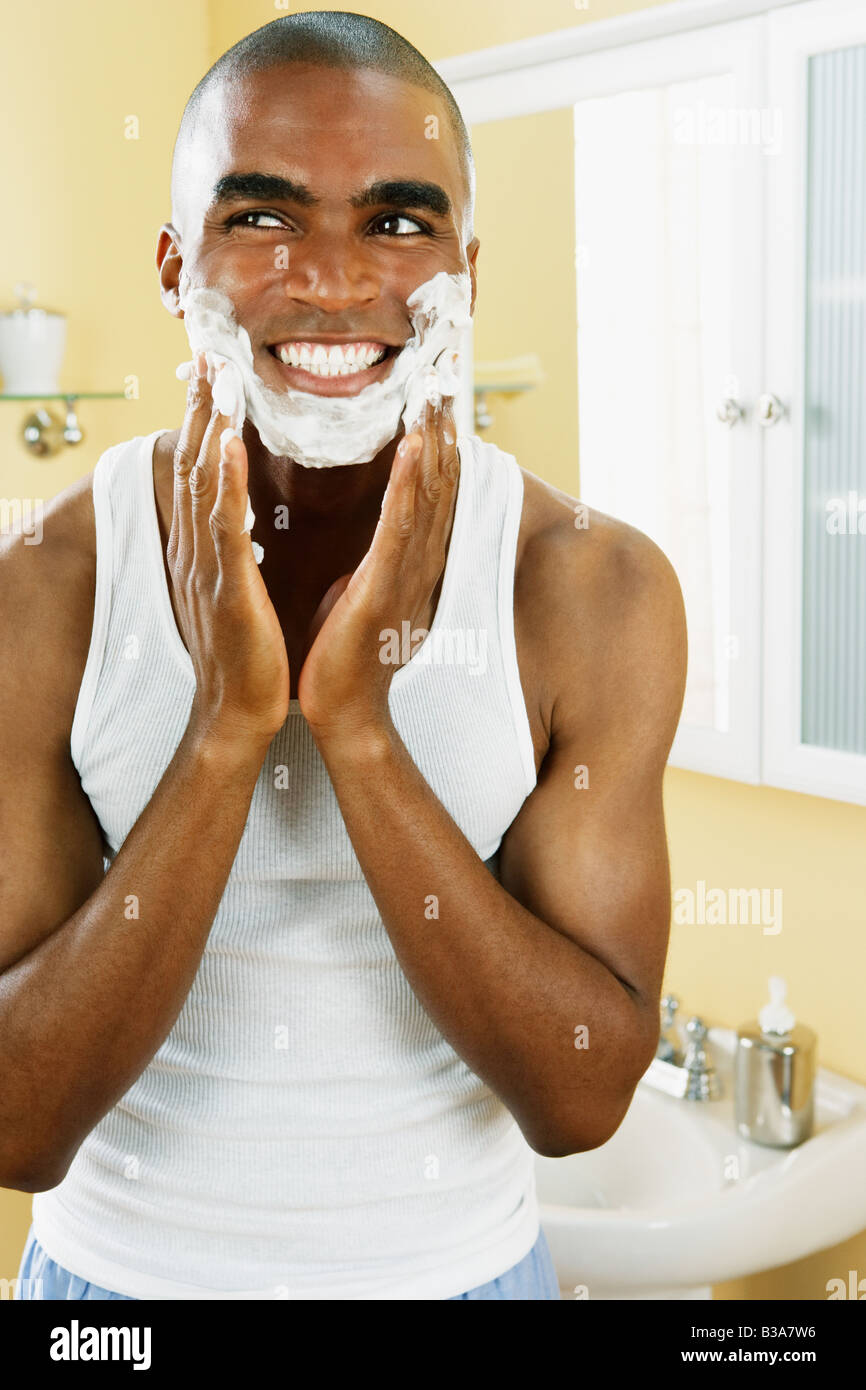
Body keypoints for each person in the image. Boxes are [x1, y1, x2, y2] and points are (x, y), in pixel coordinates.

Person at [2, 11, 686, 1301]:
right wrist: (221, 733)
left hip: (462, 1281)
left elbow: (583, 1097)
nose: (328, 280)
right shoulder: (42, 590)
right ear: (173, 265)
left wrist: (361, 732)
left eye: (397, 222)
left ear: (468, 273)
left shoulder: (593, 587)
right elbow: (16, 1127)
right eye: (261, 219)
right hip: (117, 1299)